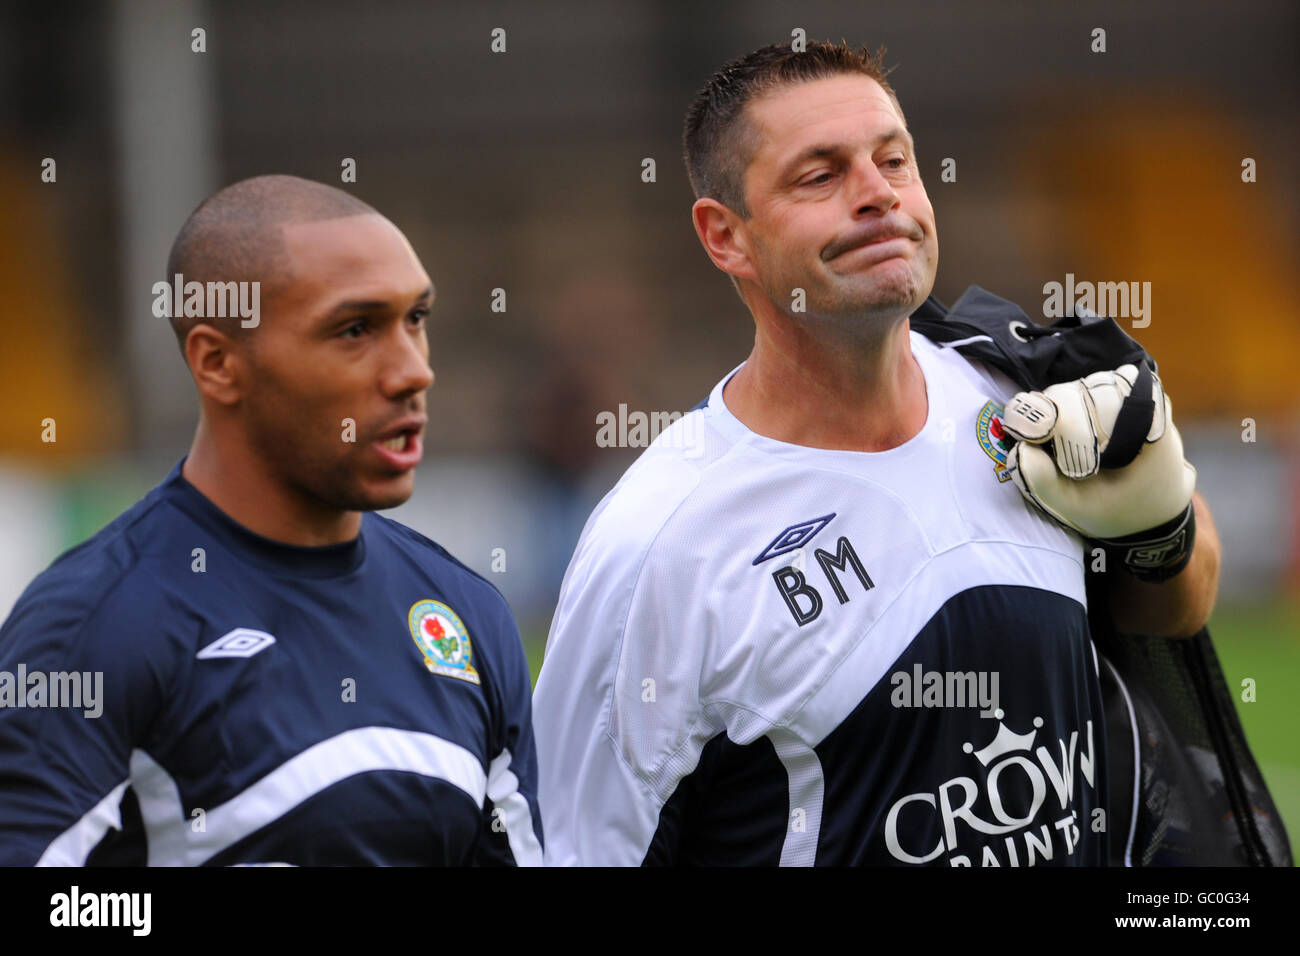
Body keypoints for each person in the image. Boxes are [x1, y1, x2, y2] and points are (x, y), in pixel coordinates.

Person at [532, 41, 1222, 866]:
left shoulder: (1030, 392)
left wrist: (1160, 532)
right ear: (727, 237)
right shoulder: (655, 547)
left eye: (894, 160)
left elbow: (1180, 610)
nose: (878, 196)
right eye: (819, 176)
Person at [0, 175, 542, 866]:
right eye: (355, 330)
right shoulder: (94, 629)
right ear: (218, 363)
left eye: (416, 320)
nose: (412, 371)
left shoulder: (467, 616)